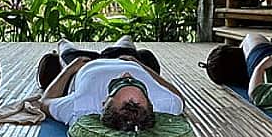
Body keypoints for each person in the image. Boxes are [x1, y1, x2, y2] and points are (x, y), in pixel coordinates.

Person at [40, 37, 185, 131]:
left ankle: (62, 45)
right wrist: (140, 65)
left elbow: (45, 102)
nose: (126, 74)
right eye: (136, 83)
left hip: (85, 64)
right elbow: (179, 97)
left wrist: (70, 69)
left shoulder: (81, 106)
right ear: (150, 103)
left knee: (63, 45)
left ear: (104, 103)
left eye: (118, 84)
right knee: (127, 39)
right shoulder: (165, 103)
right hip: (126, 59)